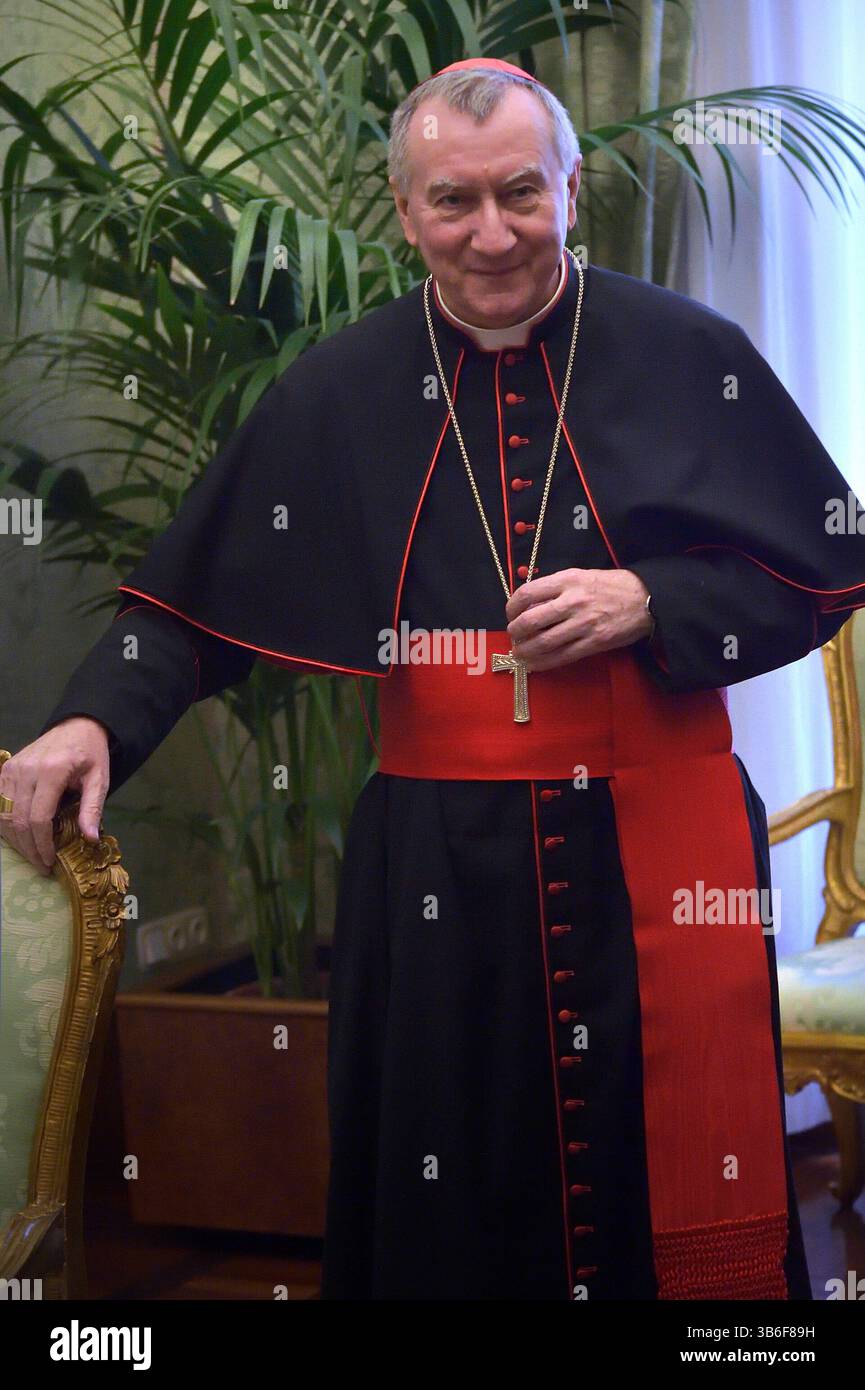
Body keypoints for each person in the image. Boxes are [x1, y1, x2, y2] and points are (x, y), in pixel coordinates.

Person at [3, 57, 865, 1302]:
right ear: (404, 212)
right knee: (446, 1195)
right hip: (435, 871)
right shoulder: (342, 391)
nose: (492, 232)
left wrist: (657, 599)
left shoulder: (690, 355)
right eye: (452, 202)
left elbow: (826, 572)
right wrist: (93, 715)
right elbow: (197, 606)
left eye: (521, 191)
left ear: (569, 186)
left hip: (656, 849)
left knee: (667, 1188)